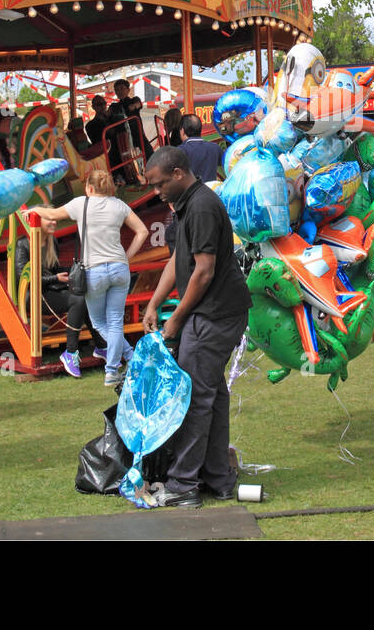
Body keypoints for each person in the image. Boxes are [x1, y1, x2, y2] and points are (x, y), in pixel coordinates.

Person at [142, 147, 252, 507]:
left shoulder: (202, 206)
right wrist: (156, 301)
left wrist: (175, 319)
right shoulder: (187, 204)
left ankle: (183, 484)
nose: (155, 192)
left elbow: (203, 270)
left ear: (177, 174)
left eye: (159, 185)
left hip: (215, 314)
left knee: (194, 397)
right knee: (212, 394)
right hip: (215, 313)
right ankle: (218, 478)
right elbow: (180, 258)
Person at [27, 169, 148, 384]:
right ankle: (117, 367)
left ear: (89, 188)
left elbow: (52, 214)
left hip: (96, 270)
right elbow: (142, 232)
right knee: (115, 322)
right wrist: (127, 256)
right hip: (120, 268)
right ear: (109, 187)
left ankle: (124, 361)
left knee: (99, 322)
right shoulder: (119, 205)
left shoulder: (81, 204)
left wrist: (33, 209)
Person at [15, 221, 106, 375]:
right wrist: (56, 279)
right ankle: (72, 352)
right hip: (33, 295)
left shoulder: (52, 240)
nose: (54, 221)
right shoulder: (23, 243)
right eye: (48, 219)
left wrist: (75, 271)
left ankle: (100, 346)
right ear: (37, 223)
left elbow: (55, 269)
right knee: (78, 300)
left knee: (84, 297)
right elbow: (24, 279)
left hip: (50, 290)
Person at [178, 113, 222, 183]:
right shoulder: (215, 148)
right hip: (212, 191)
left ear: (182, 131)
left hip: (192, 193)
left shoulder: (180, 151)